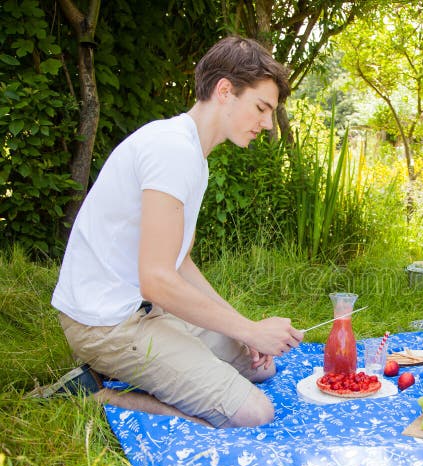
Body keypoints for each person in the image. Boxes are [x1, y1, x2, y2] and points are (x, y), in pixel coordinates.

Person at [46, 36, 303, 428]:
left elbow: (179, 261)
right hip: (106, 325)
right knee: (254, 412)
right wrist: (249, 328)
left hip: (150, 310)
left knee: (259, 369)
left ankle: (166, 364)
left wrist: (246, 331)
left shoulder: (193, 157)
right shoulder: (171, 151)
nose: (267, 124)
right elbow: (156, 280)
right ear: (224, 91)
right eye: (261, 108)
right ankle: (98, 393)